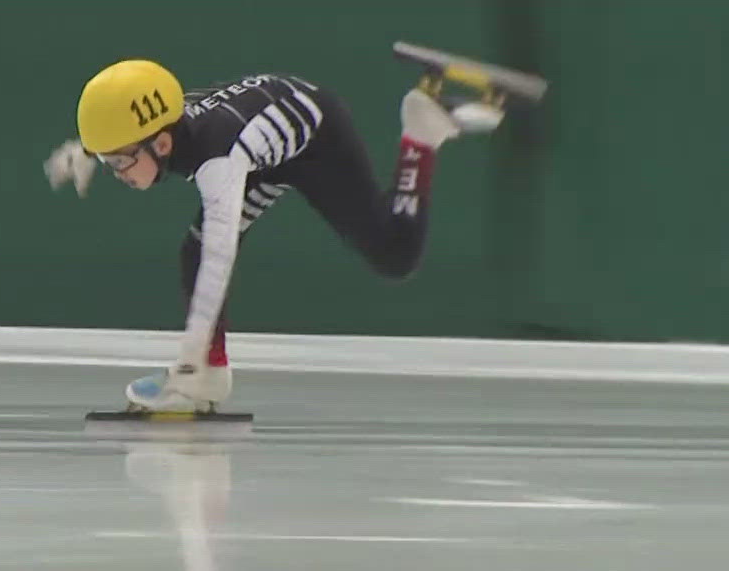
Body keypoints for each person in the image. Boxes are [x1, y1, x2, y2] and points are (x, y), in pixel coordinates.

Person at [44, 58, 508, 413]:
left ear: (161, 144)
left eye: (119, 161)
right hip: (266, 144)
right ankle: (211, 376)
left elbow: (220, 261)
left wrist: (187, 354)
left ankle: (421, 133)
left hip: (316, 137)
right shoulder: (161, 127)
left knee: (395, 253)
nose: (118, 172)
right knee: (194, 248)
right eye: (109, 161)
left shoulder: (217, 163)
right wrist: (86, 152)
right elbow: (122, 127)